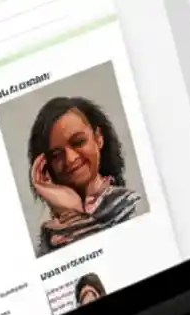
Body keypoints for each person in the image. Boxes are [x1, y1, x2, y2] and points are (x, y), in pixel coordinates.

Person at [27, 96, 143, 254]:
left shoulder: (130, 206)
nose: (70, 159)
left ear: (98, 138)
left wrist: (75, 214)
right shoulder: (50, 232)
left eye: (78, 142)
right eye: (56, 155)